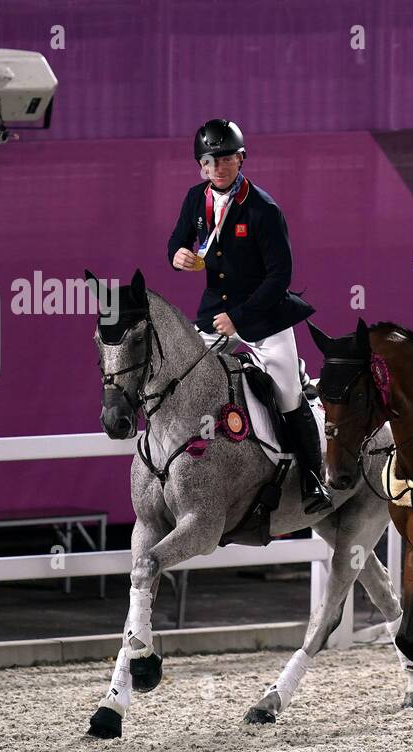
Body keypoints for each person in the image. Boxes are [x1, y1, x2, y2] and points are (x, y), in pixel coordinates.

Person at [166, 118, 331, 514]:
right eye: (210, 161)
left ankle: (313, 479)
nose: (217, 167)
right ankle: (169, 467)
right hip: (214, 313)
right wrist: (176, 256)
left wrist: (239, 318)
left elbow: (280, 277)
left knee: (289, 394)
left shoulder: (263, 209)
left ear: (241, 159)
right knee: (179, 380)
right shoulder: (195, 199)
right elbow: (177, 240)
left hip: (264, 317)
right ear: (200, 166)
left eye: (225, 159)